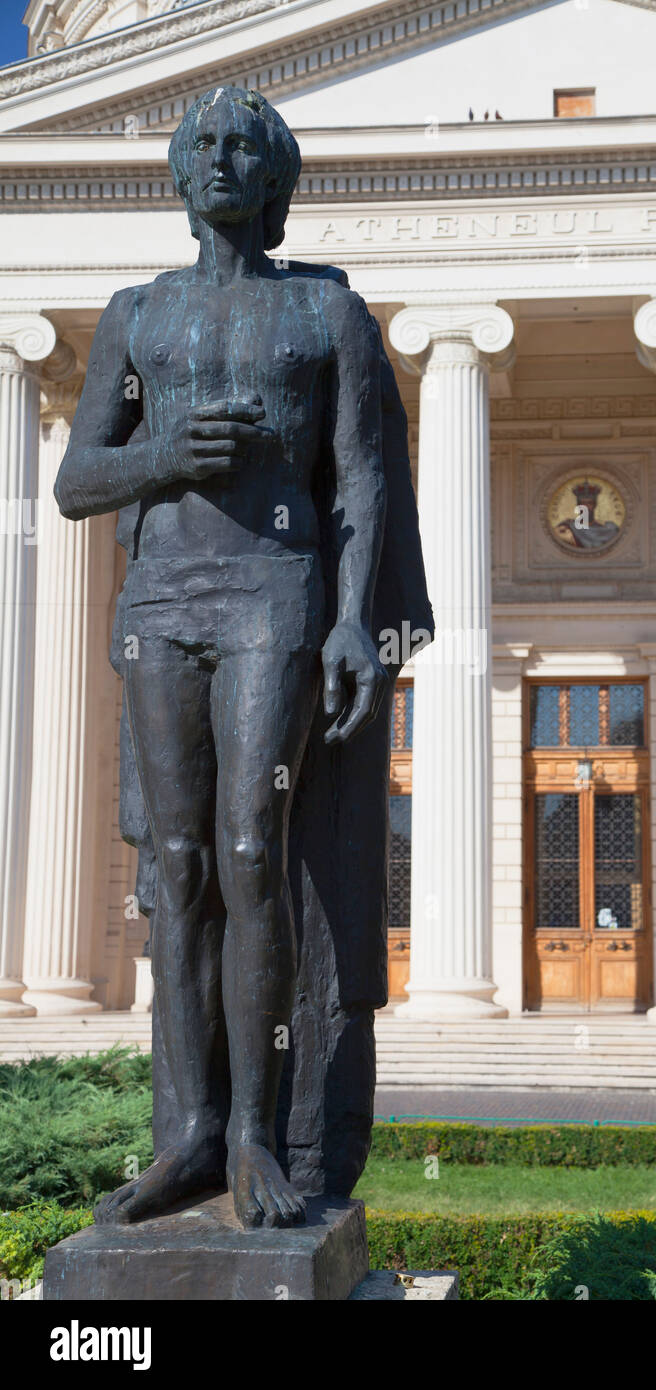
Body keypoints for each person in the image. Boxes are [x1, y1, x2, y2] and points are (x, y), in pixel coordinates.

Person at [55, 86, 430, 1230]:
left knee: (249, 849)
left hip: (276, 590)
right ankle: (187, 1138)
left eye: (245, 149)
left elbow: (362, 478)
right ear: (178, 174)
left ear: (275, 182)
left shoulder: (325, 317)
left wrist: (355, 620)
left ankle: (264, 1133)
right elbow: (79, 481)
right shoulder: (137, 321)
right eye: (202, 146)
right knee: (173, 869)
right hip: (166, 597)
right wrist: (159, 452)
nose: (221, 160)